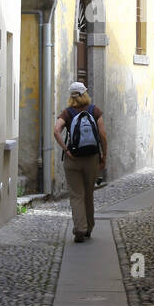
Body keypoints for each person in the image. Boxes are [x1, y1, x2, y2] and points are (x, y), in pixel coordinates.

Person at [54, 82, 107, 243]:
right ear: (85, 94)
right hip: (91, 158)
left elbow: (56, 131)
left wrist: (66, 149)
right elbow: (103, 135)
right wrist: (104, 155)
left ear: (71, 96)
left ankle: (79, 229)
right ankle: (89, 227)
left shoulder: (67, 113)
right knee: (88, 193)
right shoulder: (94, 111)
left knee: (77, 195)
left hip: (73, 159)